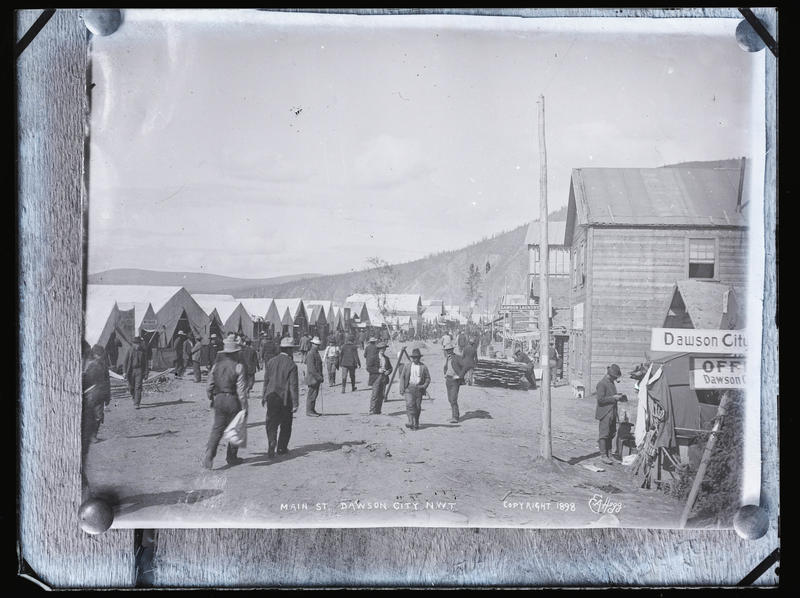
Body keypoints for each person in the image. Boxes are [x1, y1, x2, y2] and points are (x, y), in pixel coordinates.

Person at [204, 337, 247, 469]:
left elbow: (209, 386)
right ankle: (231, 457)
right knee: (235, 428)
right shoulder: (239, 367)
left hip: (219, 398)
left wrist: (212, 397)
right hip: (233, 399)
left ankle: (210, 453)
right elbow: (241, 390)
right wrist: (244, 406)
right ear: (235, 353)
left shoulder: (216, 366)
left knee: (217, 429)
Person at [262, 337, 300, 457]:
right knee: (286, 423)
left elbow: (266, 380)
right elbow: (293, 386)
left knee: (271, 422)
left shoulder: (271, 361)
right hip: (285, 398)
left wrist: (263, 396)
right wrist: (295, 403)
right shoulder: (292, 364)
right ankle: (281, 448)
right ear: (289, 350)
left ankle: (271, 442)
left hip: (271, 396)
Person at [82, 344, 111, 452]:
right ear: (94, 355)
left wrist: (108, 396)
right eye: (98, 355)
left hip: (100, 395)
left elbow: (107, 382)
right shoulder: (89, 366)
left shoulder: (104, 366)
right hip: (90, 395)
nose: (100, 357)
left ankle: (94, 435)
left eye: (101, 355)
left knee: (99, 416)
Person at [596, 364, 624, 465]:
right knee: (604, 434)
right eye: (615, 377)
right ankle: (603, 455)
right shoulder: (602, 384)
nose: (616, 379)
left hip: (612, 411)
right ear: (610, 375)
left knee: (611, 433)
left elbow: (610, 395)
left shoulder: (611, 383)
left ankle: (609, 454)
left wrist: (618, 397)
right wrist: (614, 398)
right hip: (605, 412)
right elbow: (600, 400)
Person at [399, 348, 431, 430]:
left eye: (417, 357)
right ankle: (410, 421)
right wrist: (402, 388)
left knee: (417, 407)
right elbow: (402, 377)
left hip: (419, 389)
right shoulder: (407, 366)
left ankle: (416, 421)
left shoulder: (423, 367)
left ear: (419, 358)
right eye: (414, 357)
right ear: (412, 358)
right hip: (409, 388)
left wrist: (424, 386)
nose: (415, 359)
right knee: (409, 404)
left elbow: (428, 378)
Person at [443, 341, 466, 423]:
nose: (448, 351)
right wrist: (445, 374)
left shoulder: (457, 357)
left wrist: (459, 376)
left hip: (455, 381)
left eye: (449, 349)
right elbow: (446, 368)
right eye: (447, 350)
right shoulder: (447, 358)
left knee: (453, 399)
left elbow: (465, 366)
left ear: (452, 349)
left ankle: (455, 417)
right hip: (448, 380)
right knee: (450, 399)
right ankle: (454, 416)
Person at [124, 336, 149, 409]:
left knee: (138, 387)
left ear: (140, 344)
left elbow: (146, 363)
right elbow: (125, 362)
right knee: (131, 387)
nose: (137, 345)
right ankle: (134, 397)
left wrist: (146, 373)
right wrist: (124, 372)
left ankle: (137, 403)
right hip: (131, 371)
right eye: (136, 344)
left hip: (139, 370)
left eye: (138, 344)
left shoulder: (143, 351)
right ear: (133, 344)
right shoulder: (129, 350)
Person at [369, 341, 393, 415]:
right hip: (376, 377)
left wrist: (388, 372)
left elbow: (390, 368)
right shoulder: (373, 358)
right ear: (378, 349)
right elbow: (369, 368)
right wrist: (378, 370)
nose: (383, 350)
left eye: (384, 349)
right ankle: (372, 410)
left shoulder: (386, 358)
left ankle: (378, 410)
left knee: (381, 395)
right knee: (375, 394)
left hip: (384, 377)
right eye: (381, 349)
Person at [305, 336, 324, 416]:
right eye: (316, 344)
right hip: (313, 378)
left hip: (316, 378)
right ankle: (309, 411)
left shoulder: (316, 353)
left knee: (315, 394)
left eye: (318, 345)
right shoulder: (311, 354)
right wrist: (319, 377)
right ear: (312, 344)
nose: (317, 346)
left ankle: (312, 410)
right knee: (311, 395)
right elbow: (311, 368)